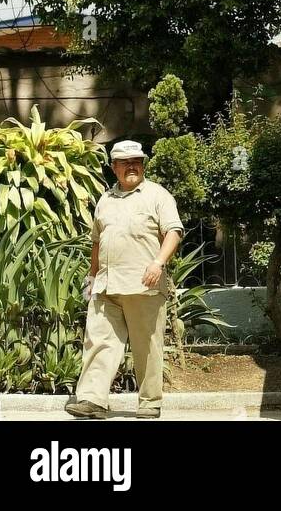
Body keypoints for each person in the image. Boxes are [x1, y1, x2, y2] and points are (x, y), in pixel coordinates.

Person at [64, 140, 183, 420]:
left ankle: (150, 403)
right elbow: (97, 241)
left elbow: (174, 232)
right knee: (99, 343)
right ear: (113, 168)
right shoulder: (105, 200)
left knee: (147, 346)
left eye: (137, 161)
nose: (132, 166)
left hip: (144, 285)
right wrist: (92, 276)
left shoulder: (157, 195)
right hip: (106, 285)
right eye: (126, 162)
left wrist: (158, 262)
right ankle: (93, 400)